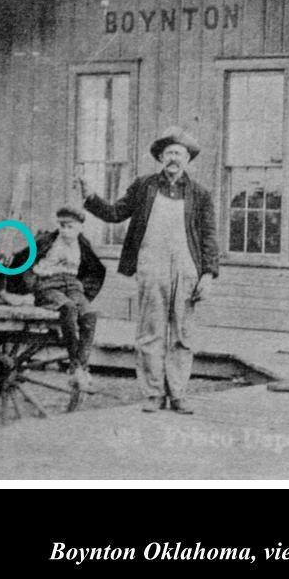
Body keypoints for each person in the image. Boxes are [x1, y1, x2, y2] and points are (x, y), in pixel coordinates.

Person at [80, 127, 218, 415]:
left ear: (188, 159)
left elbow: (208, 236)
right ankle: (153, 394)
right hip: (151, 265)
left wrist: (208, 274)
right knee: (150, 332)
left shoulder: (201, 194)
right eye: (168, 153)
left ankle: (178, 393)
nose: (173, 158)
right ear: (160, 157)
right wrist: (90, 196)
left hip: (187, 267)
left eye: (179, 154)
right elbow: (115, 213)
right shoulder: (144, 186)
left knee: (182, 334)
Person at [1, 206, 107, 391]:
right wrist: (27, 285)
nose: (65, 230)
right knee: (68, 308)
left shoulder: (83, 245)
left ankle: (80, 367)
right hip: (48, 285)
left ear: (80, 227)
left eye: (70, 226)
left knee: (89, 314)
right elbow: (22, 259)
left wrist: (85, 294)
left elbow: (95, 270)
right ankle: (75, 366)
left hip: (73, 286)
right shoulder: (47, 241)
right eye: (62, 226)